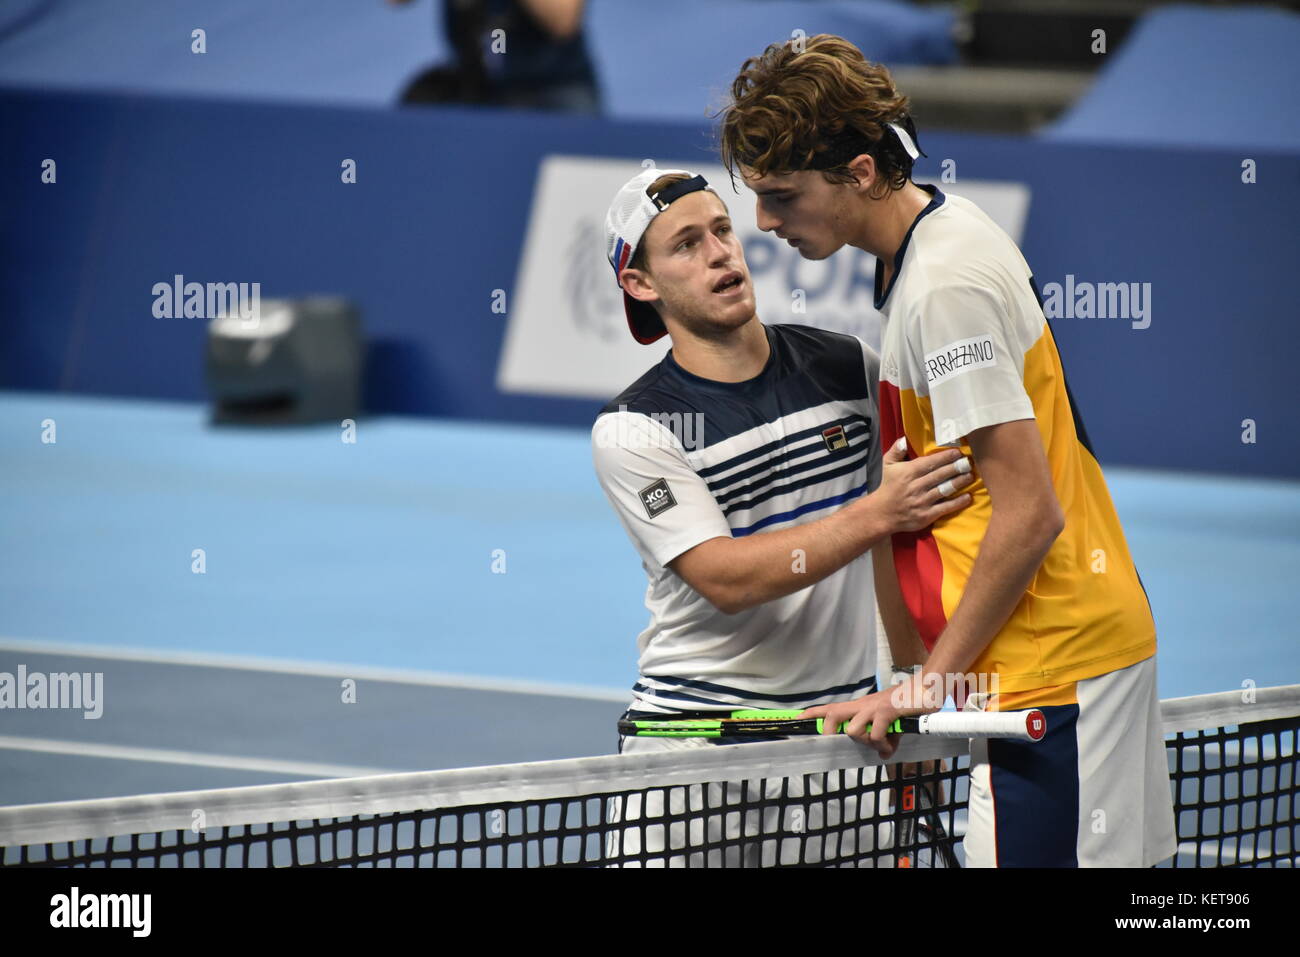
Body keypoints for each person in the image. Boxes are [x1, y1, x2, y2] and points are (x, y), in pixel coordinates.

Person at [718, 34, 1177, 867]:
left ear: (859, 173)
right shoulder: (923, 248)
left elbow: (1031, 511)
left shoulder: (944, 288)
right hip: (1025, 670)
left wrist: (931, 682)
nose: (764, 224)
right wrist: (925, 680)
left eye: (782, 197)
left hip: (1049, 676)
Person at [592, 166, 974, 865]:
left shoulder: (847, 368)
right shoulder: (635, 430)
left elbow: (895, 551)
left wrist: (912, 693)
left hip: (843, 733)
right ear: (641, 285)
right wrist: (876, 511)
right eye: (685, 244)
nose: (719, 252)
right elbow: (727, 578)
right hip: (693, 747)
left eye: (720, 230)